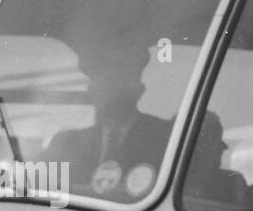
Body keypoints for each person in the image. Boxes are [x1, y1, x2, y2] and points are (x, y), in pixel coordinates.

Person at [44, 37, 171, 201]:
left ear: (140, 89)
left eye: (122, 76)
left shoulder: (165, 139)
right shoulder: (66, 144)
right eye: (102, 78)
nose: (112, 87)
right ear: (91, 91)